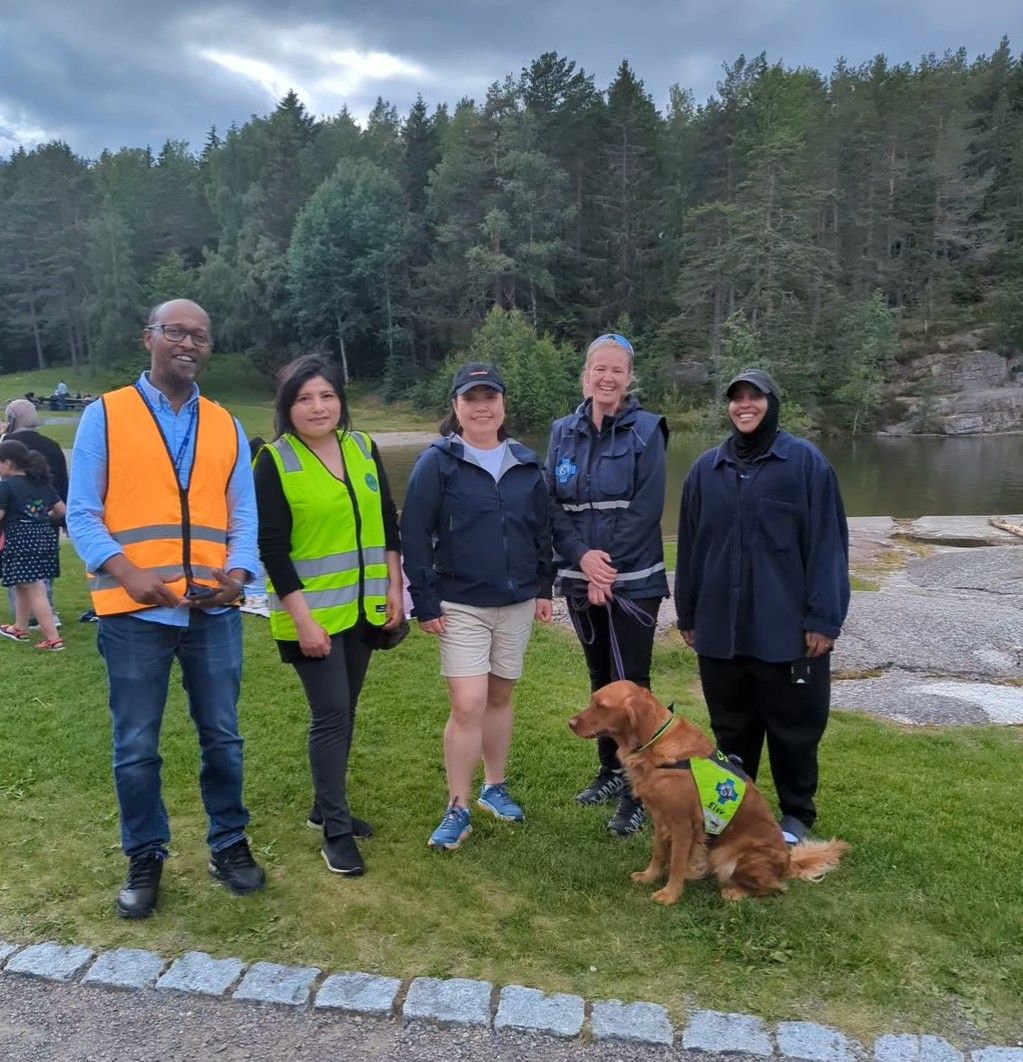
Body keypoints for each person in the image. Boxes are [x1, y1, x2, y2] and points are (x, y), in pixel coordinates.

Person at [66, 298, 265, 920]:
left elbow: (243, 515)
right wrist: (127, 574)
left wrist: (238, 577)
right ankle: (145, 854)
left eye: (200, 336)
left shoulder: (226, 423)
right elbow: (82, 513)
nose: (188, 343)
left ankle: (228, 842)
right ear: (147, 337)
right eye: (175, 331)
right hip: (133, 613)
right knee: (135, 744)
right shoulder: (105, 414)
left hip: (212, 610)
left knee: (223, 737)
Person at [674, 369, 850, 845]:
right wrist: (687, 612)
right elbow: (690, 547)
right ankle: (729, 810)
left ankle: (796, 815)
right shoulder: (705, 471)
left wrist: (823, 619)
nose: (744, 405)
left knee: (795, 729)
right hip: (721, 630)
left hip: (787, 632)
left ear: (772, 404)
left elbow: (828, 546)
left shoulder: (806, 465)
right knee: (731, 728)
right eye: (737, 398)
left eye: (755, 397)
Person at [253, 356, 404, 877]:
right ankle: (335, 831)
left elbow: (386, 521)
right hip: (310, 618)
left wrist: (395, 586)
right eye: (304, 398)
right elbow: (272, 550)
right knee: (332, 714)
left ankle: (324, 804)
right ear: (287, 406)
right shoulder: (275, 461)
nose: (318, 407)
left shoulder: (361, 447)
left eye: (327, 396)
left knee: (347, 709)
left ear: (340, 400)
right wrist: (303, 622)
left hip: (362, 611)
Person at [401, 363, 553, 851]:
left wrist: (544, 588)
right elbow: (414, 534)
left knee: (500, 697)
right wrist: (424, 601)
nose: (481, 407)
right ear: (456, 407)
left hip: (517, 602)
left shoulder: (527, 464)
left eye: (490, 397)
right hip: (461, 603)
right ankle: (458, 807)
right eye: (471, 398)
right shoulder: (437, 463)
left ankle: (495, 787)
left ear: (504, 404)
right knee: (468, 703)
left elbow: (542, 531)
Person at [545, 333, 668, 837]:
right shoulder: (562, 432)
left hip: (632, 581)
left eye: (617, 370)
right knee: (600, 683)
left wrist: (606, 569)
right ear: (586, 375)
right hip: (581, 577)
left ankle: (639, 791)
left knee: (631, 686)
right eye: (600, 368)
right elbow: (551, 504)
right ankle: (610, 771)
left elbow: (647, 507)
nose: (608, 377)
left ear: (629, 377)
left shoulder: (647, 431)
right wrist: (582, 558)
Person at [2, 398, 70, 627]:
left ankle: (28, 619)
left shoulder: (7, 447)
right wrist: (62, 520)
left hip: (15, 521)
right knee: (42, 571)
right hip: (46, 517)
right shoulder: (52, 445)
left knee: (19, 574)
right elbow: (62, 482)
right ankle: (47, 611)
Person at [0, 439, 66, 650]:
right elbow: (61, 511)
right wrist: (41, 518)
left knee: (35, 587)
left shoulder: (6, 486)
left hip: (21, 540)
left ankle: (53, 639)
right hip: (44, 538)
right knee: (23, 583)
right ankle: (20, 627)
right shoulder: (41, 483)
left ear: (8, 463)